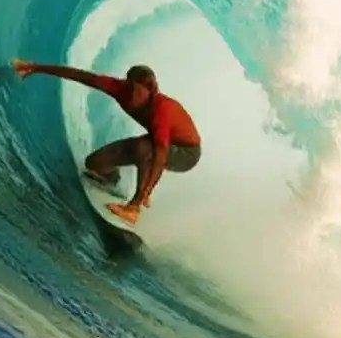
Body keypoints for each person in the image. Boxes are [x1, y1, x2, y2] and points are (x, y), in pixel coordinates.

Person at [12, 59, 201, 225]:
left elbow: (160, 154)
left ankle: (133, 208)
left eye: (138, 91)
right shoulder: (120, 89)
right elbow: (81, 76)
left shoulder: (161, 110)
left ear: (150, 90)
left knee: (142, 149)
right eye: (130, 87)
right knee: (95, 163)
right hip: (156, 145)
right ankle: (110, 179)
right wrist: (36, 67)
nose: (132, 95)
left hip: (186, 153)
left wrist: (148, 189)